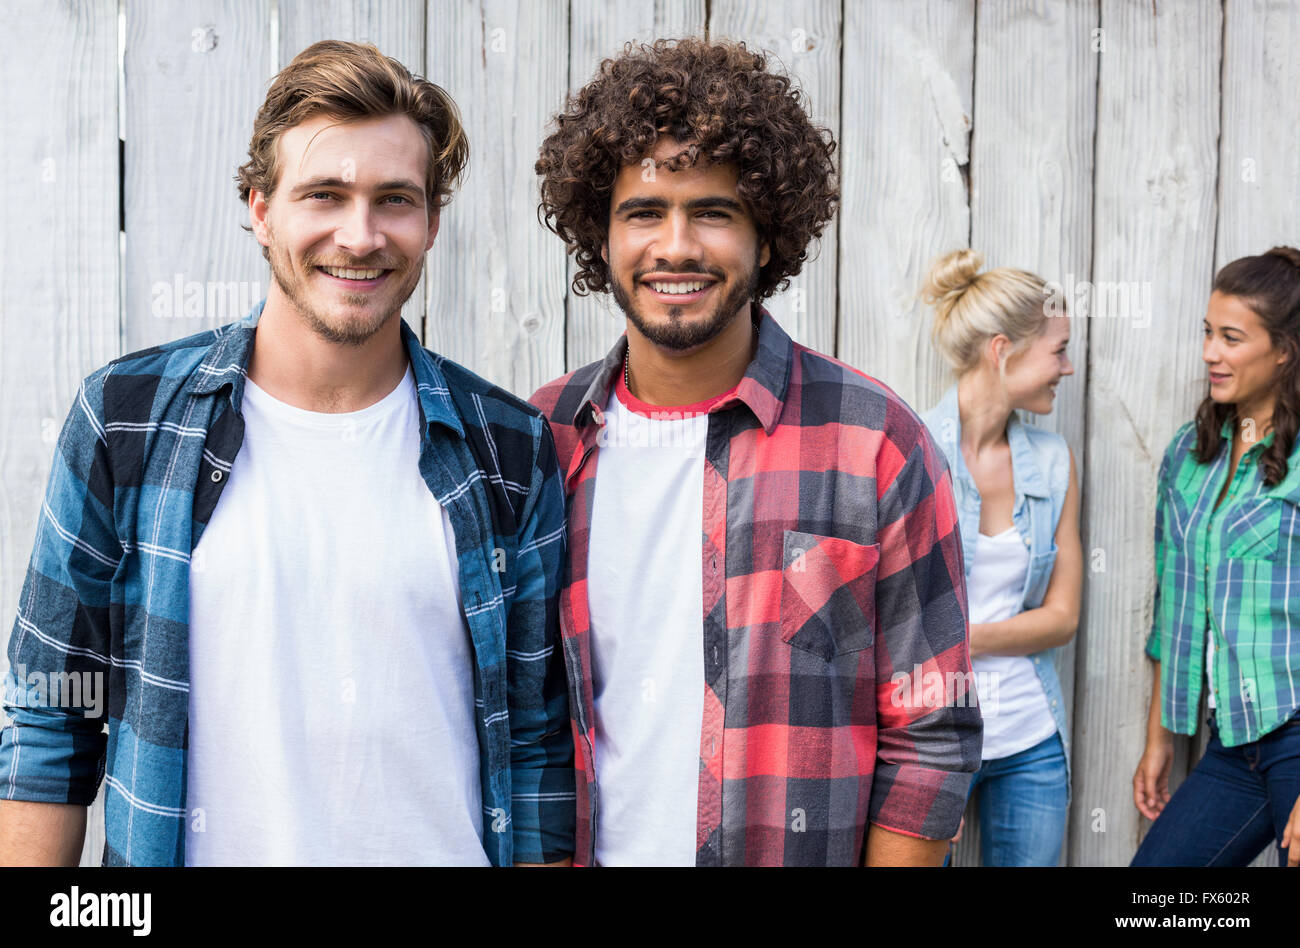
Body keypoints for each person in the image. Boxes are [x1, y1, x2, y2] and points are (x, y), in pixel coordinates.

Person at [0, 40, 574, 866]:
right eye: (325, 195)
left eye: (394, 200)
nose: (361, 234)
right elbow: (52, 707)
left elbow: (536, 751)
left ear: (432, 224)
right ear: (261, 209)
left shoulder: (510, 447)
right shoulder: (127, 421)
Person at [529, 37, 981, 867]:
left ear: (768, 238)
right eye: (643, 212)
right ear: (601, 235)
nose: (676, 246)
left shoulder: (875, 443)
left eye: (713, 212)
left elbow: (932, 734)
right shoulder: (540, 443)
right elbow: (522, 728)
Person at [1132, 246, 1300, 867]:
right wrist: (1160, 741)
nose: (1210, 353)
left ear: (1284, 349)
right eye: (1208, 333)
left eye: (1232, 337)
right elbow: (1174, 606)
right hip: (1232, 739)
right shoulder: (1190, 454)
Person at [918, 250, 1081, 867]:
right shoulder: (912, 449)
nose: (1065, 368)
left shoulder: (1055, 461)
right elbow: (889, 626)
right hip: (934, 739)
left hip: (1031, 739)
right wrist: (927, 762)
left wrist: (961, 638)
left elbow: (1062, 618)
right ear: (1002, 349)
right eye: (1057, 350)